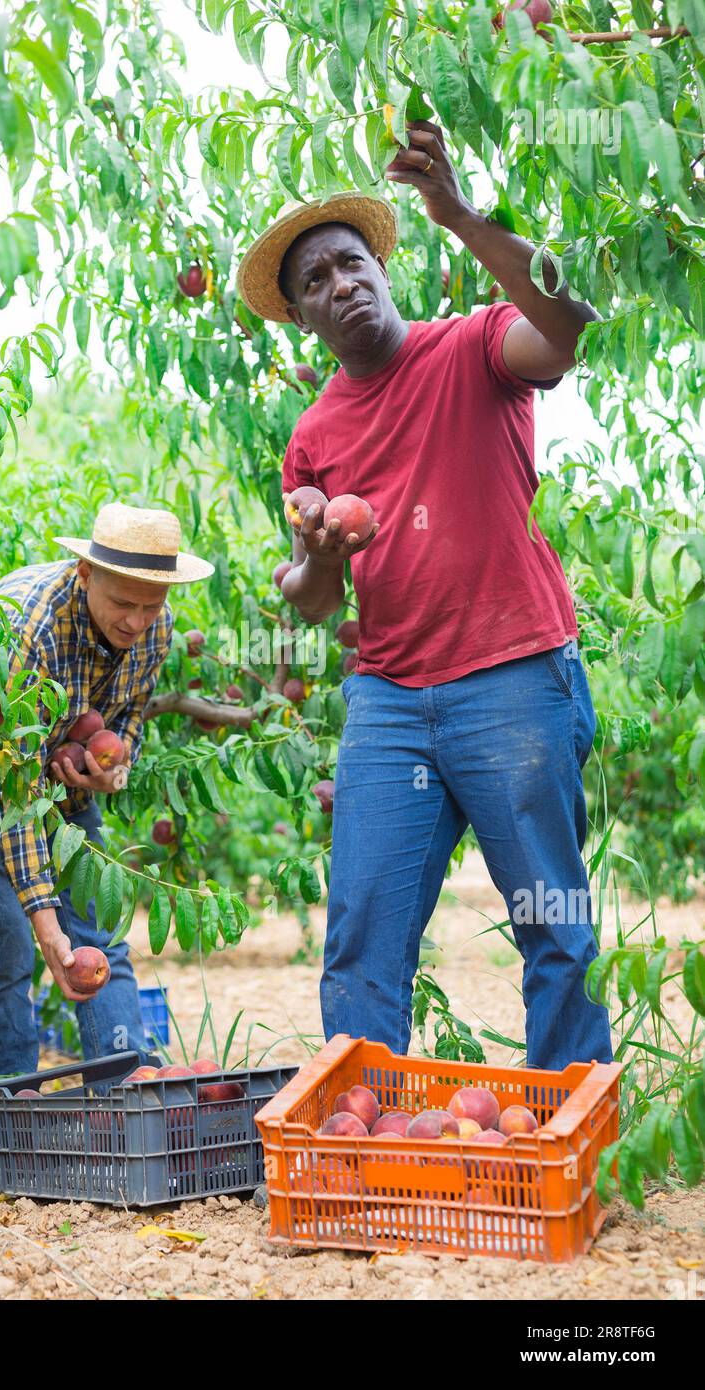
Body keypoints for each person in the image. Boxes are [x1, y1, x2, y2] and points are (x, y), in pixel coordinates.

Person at [235, 122, 613, 1070]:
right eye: (314, 282)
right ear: (302, 317)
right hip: (391, 702)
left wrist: (459, 214)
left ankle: (573, 1128)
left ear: (382, 267)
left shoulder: (474, 347)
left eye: (351, 263)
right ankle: (361, 1145)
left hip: (514, 678)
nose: (340, 285)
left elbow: (569, 324)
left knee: (552, 929)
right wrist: (316, 550)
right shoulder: (314, 434)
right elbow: (313, 599)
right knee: (362, 936)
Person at [0, 503, 214, 1170]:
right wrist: (46, 926)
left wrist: (110, 769)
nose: (138, 621)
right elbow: (15, 793)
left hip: (57, 777)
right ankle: (10, 1128)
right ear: (85, 573)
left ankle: (126, 1109)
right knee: (5, 942)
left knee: (100, 935)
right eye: (124, 604)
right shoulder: (32, 628)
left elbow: (126, 719)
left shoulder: (154, 631)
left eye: (152, 605)